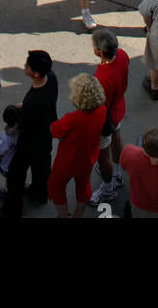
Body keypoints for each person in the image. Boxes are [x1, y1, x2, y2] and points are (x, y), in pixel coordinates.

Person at [0, 50, 58, 219]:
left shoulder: (33, 101)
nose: (24, 66)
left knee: (15, 174)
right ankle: (39, 192)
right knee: (42, 167)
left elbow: (23, 126)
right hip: (46, 134)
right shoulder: (50, 77)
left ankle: (12, 211)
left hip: (30, 142)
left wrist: (11, 130)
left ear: (36, 73)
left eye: (27, 65)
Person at [48, 73, 107, 219]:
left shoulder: (72, 119)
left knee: (56, 186)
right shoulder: (102, 110)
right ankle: (78, 214)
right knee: (83, 184)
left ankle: (63, 216)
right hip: (88, 157)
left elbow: (54, 130)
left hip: (68, 160)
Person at [91, 27, 130, 201]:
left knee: (102, 155)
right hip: (118, 107)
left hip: (105, 118)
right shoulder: (122, 55)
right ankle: (117, 172)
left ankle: (108, 188)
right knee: (117, 137)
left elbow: (99, 106)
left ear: (98, 51)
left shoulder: (101, 78)